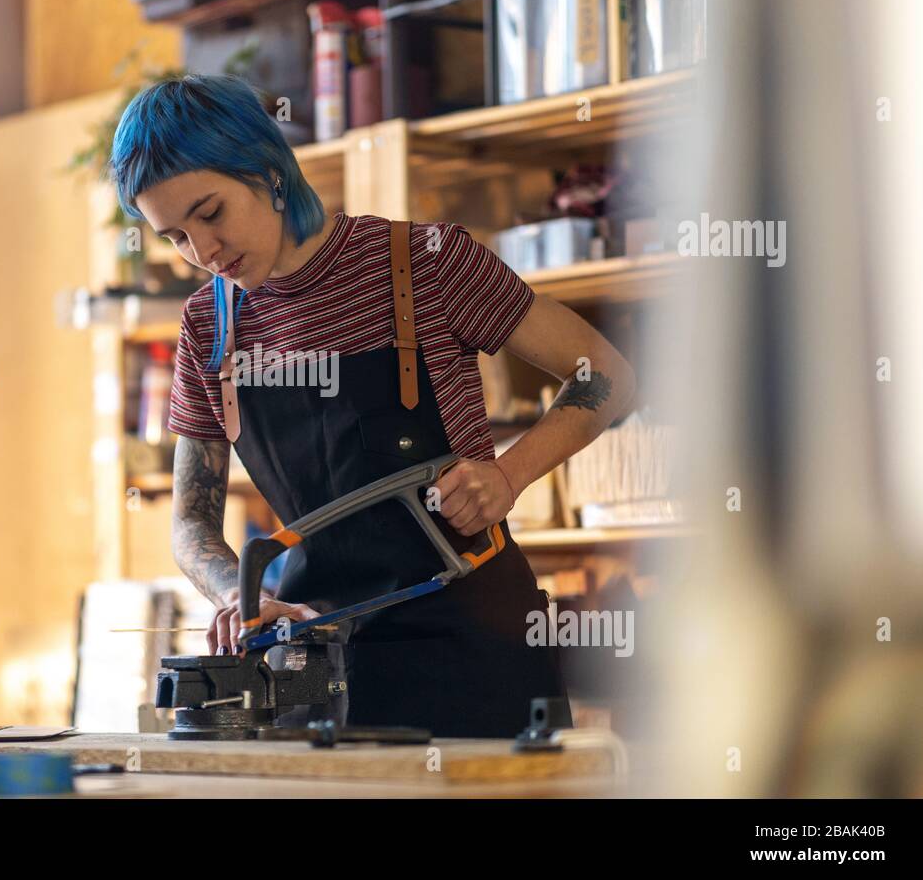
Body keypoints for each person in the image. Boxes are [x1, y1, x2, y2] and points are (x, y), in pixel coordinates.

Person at [109, 74, 636, 737]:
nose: (202, 253)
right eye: (175, 237)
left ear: (268, 171)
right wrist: (240, 597)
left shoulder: (425, 263)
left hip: (471, 649)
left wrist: (508, 474)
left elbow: (606, 375)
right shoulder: (208, 327)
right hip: (314, 660)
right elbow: (190, 522)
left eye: (210, 213)